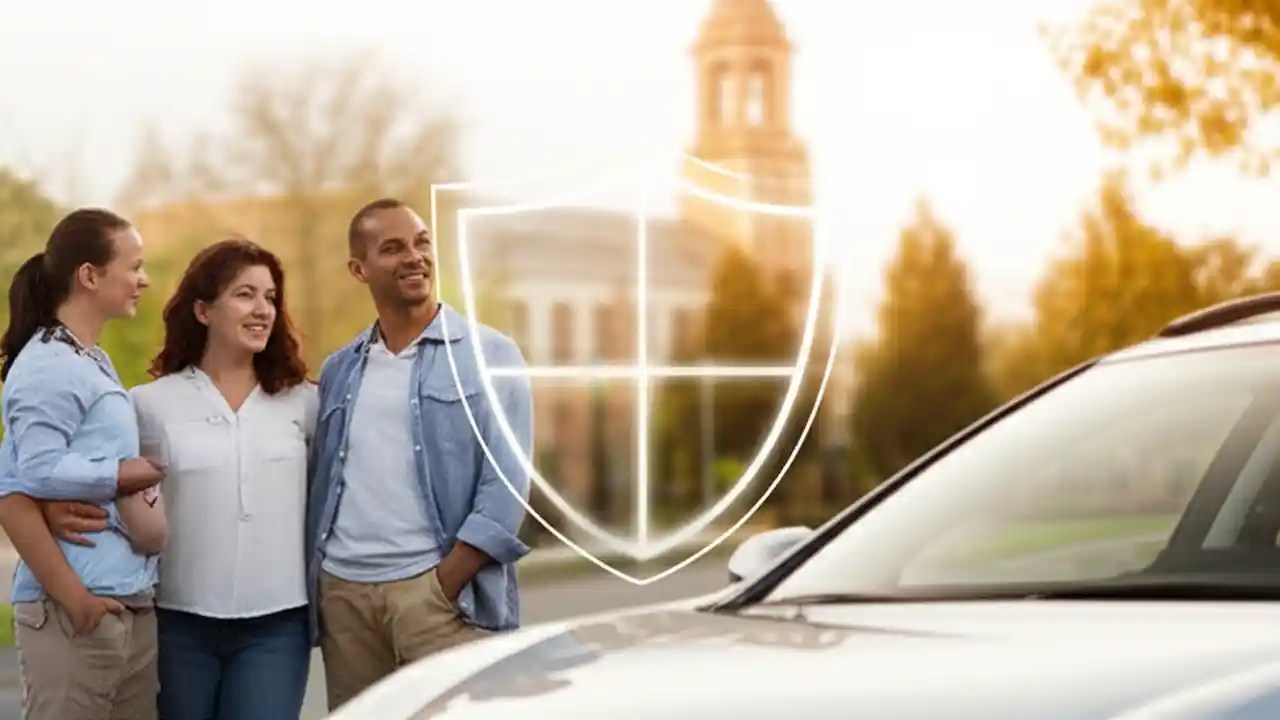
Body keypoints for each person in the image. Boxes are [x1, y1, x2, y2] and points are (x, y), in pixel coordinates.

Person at [306, 197, 534, 710]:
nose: (414, 256)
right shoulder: (340, 369)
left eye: (421, 242)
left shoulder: (491, 355)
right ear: (359, 270)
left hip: (438, 599)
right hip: (346, 599)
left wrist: (441, 586)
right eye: (392, 248)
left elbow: (506, 486)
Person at [127, 238, 315, 719]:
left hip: (277, 625)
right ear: (203, 310)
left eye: (270, 298)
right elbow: (119, 493)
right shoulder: (150, 404)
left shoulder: (303, 401)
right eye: (244, 294)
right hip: (177, 622)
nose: (262, 310)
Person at [0, 208, 168, 720]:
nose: (143, 279)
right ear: (90, 276)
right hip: (77, 613)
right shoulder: (46, 366)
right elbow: (30, 473)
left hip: (124, 603)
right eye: (133, 266)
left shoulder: (90, 359)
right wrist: (121, 474)